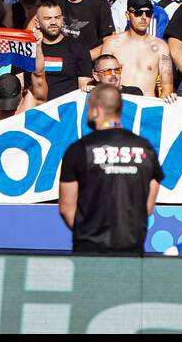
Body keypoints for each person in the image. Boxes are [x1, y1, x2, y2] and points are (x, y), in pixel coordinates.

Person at [58, 84, 163, 255]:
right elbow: (148, 206)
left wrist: (87, 236)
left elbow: (66, 207)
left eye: (88, 108)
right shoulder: (146, 149)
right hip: (131, 248)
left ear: (96, 110)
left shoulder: (79, 149)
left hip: (89, 249)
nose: (87, 114)